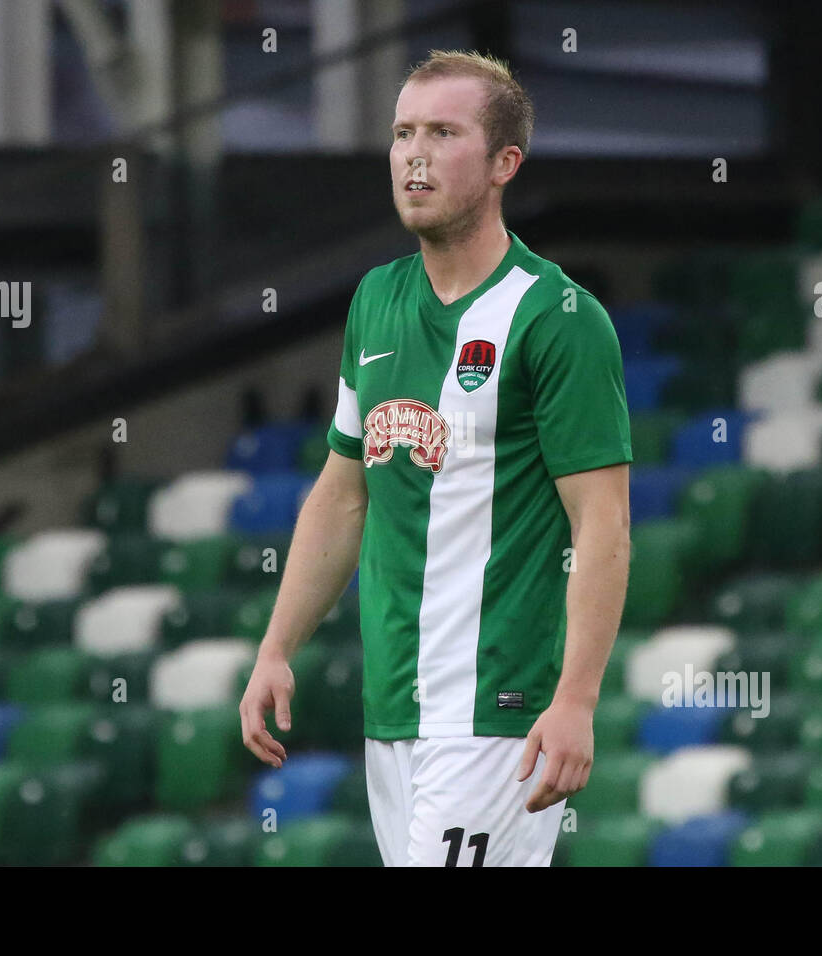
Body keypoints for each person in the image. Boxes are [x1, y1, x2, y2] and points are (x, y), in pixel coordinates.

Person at [240, 49, 632, 866]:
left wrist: (576, 701)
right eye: (402, 133)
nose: (414, 153)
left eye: (443, 133)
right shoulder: (376, 298)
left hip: (497, 710)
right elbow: (344, 495)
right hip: (394, 713)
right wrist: (276, 647)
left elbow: (602, 522)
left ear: (503, 164)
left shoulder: (559, 316)